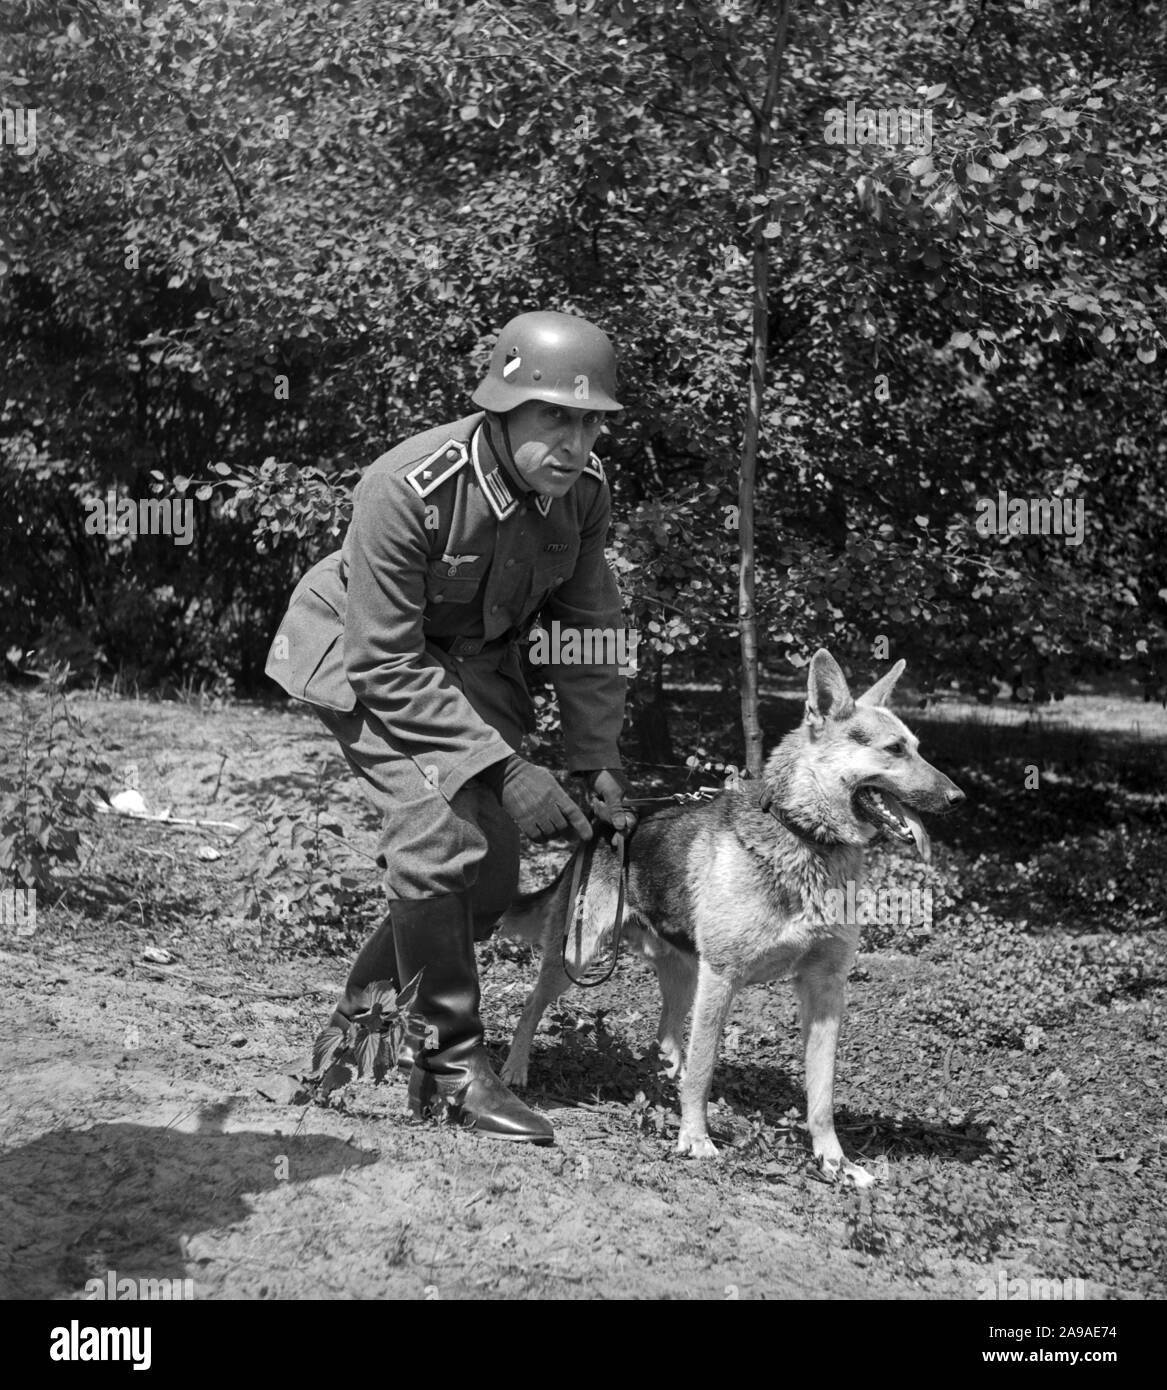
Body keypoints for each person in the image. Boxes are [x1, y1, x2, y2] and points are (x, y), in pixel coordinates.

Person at [265, 310, 636, 1145]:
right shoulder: (407, 487)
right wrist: (504, 769)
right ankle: (449, 1071)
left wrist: (593, 754)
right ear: (503, 406)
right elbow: (385, 661)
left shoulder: (581, 497)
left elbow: (588, 626)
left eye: (589, 421)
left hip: (473, 664)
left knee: (492, 875)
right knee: (440, 835)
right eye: (554, 416)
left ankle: (357, 1030)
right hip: (361, 655)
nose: (574, 442)